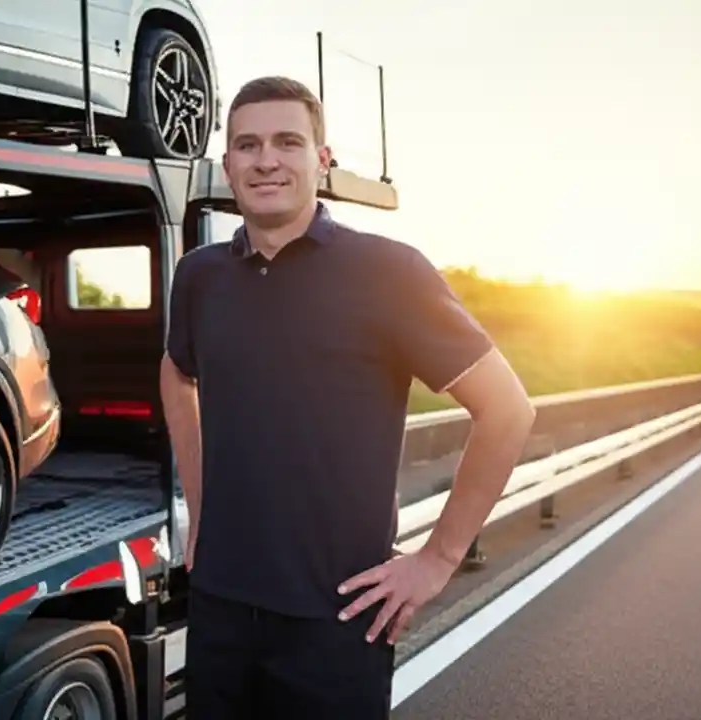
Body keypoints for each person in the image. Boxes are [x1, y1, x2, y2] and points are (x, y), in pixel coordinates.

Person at [159, 75, 537, 718]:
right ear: (228, 166)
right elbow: (176, 372)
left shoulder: (389, 272)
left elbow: (508, 409)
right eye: (247, 145)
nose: (267, 159)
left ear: (322, 159)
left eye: (288, 142)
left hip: (338, 618)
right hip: (221, 607)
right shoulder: (201, 276)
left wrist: (438, 558)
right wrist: (200, 507)